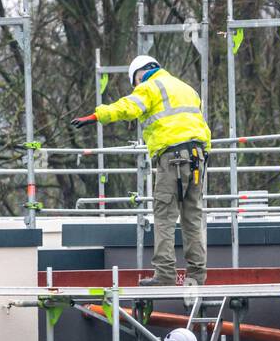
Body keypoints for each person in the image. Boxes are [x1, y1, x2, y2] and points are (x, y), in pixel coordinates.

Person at [71, 54, 211, 287]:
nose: (137, 87)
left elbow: (128, 107)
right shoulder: (188, 89)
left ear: (139, 75)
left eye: (135, 83)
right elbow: (199, 125)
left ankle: (165, 274)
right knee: (193, 217)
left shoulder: (151, 86)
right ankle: (197, 276)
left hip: (172, 157)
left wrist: (97, 116)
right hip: (198, 156)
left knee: (165, 215)